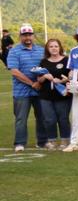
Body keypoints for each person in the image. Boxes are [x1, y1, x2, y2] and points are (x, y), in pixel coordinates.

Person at [7, 24, 46, 152]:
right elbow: (15, 72)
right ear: (20, 36)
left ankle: (42, 142)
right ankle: (20, 143)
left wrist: (40, 81)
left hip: (40, 90)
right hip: (21, 92)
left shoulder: (41, 50)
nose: (27, 37)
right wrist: (32, 83)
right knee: (21, 119)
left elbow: (46, 68)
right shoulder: (14, 51)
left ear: (33, 36)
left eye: (29, 35)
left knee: (42, 117)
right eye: (24, 35)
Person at [37, 38, 72, 150]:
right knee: (49, 119)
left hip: (62, 95)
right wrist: (44, 76)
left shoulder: (66, 60)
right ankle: (51, 141)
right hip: (46, 96)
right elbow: (39, 80)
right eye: (51, 46)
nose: (54, 48)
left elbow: (71, 78)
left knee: (63, 118)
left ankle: (65, 140)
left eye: (56, 46)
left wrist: (63, 80)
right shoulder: (43, 62)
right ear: (48, 48)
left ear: (60, 47)